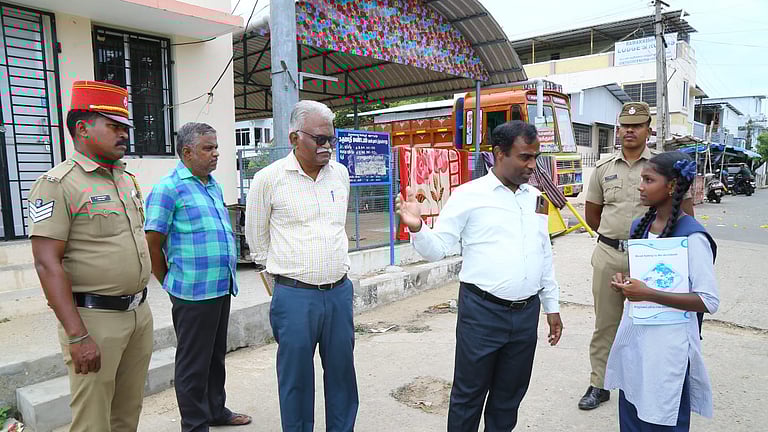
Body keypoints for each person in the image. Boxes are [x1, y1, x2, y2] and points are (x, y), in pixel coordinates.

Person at [396, 120, 563, 431]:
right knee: (469, 396)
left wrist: (551, 307)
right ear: (499, 154)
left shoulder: (534, 198)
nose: (532, 165)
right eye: (524, 157)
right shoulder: (468, 195)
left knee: (509, 397)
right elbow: (439, 248)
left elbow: (544, 253)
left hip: (526, 314)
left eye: (535, 156)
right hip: (482, 313)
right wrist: (417, 227)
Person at [27, 80, 153, 432]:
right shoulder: (58, 183)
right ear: (82, 128)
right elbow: (46, 262)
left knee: (127, 413)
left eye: (124, 127)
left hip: (137, 314)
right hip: (94, 320)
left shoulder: (124, 178)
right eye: (113, 126)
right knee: (93, 421)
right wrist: (77, 335)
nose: (123, 134)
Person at [244, 100, 358, 431]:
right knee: (295, 380)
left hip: (339, 292)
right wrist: (281, 285)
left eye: (331, 140)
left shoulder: (341, 174)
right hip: (294, 297)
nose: (327, 147)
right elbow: (258, 243)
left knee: (342, 375)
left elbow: (338, 228)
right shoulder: (269, 179)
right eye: (320, 140)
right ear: (295, 138)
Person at [579, 102, 695, 410]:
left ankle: (645, 381)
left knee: (651, 323)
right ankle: (599, 384)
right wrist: (615, 239)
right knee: (606, 322)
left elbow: (685, 215)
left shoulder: (663, 167)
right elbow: (593, 216)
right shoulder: (603, 169)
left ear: (648, 130)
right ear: (618, 129)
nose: (630, 130)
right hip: (609, 253)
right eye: (625, 125)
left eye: (637, 125)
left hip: (652, 257)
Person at [144, 122, 252, 430]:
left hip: (219, 287)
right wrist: (167, 281)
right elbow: (153, 242)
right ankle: (194, 424)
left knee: (215, 357)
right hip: (191, 292)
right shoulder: (168, 188)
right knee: (193, 363)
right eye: (209, 148)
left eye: (216, 147)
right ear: (187, 152)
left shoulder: (212, 184)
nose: (216, 153)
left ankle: (216, 410)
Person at [604, 151, 719, 430]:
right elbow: (647, 279)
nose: (640, 186)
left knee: (662, 413)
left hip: (669, 346)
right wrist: (628, 283)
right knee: (633, 407)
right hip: (638, 336)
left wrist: (649, 294)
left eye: (648, 179)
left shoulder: (692, 236)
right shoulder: (640, 227)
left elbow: (708, 300)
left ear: (671, 186)